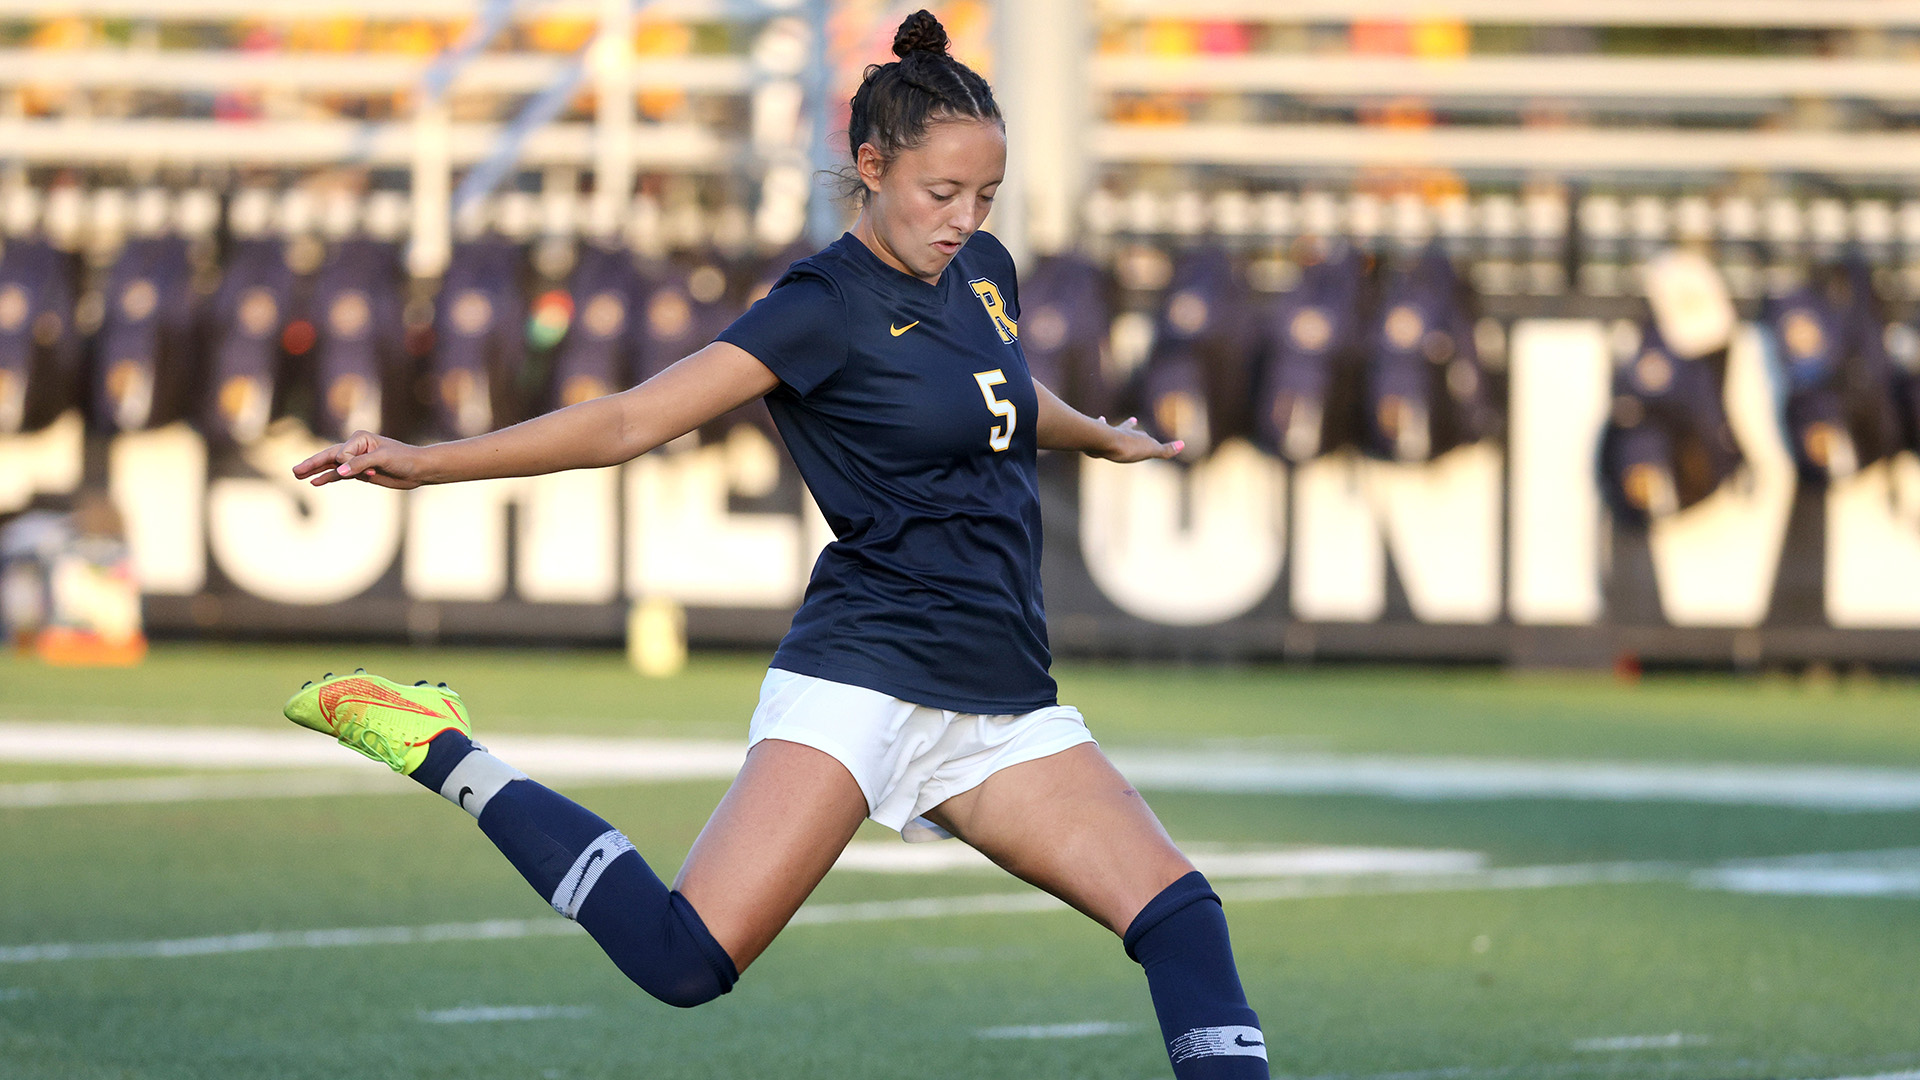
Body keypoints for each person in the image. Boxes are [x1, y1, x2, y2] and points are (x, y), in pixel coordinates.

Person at [285, 12, 1268, 1078]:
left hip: (1001, 691)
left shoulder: (984, 270)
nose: (964, 219)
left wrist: (1097, 435)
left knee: (1181, 917)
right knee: (682, 960)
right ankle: (442, 748)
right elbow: (629, 420)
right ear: (871, 166)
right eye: (942, 193)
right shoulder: (821, 306)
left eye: (985, 196)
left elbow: (1001, 389)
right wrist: (430, 461)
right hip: (868, 670)